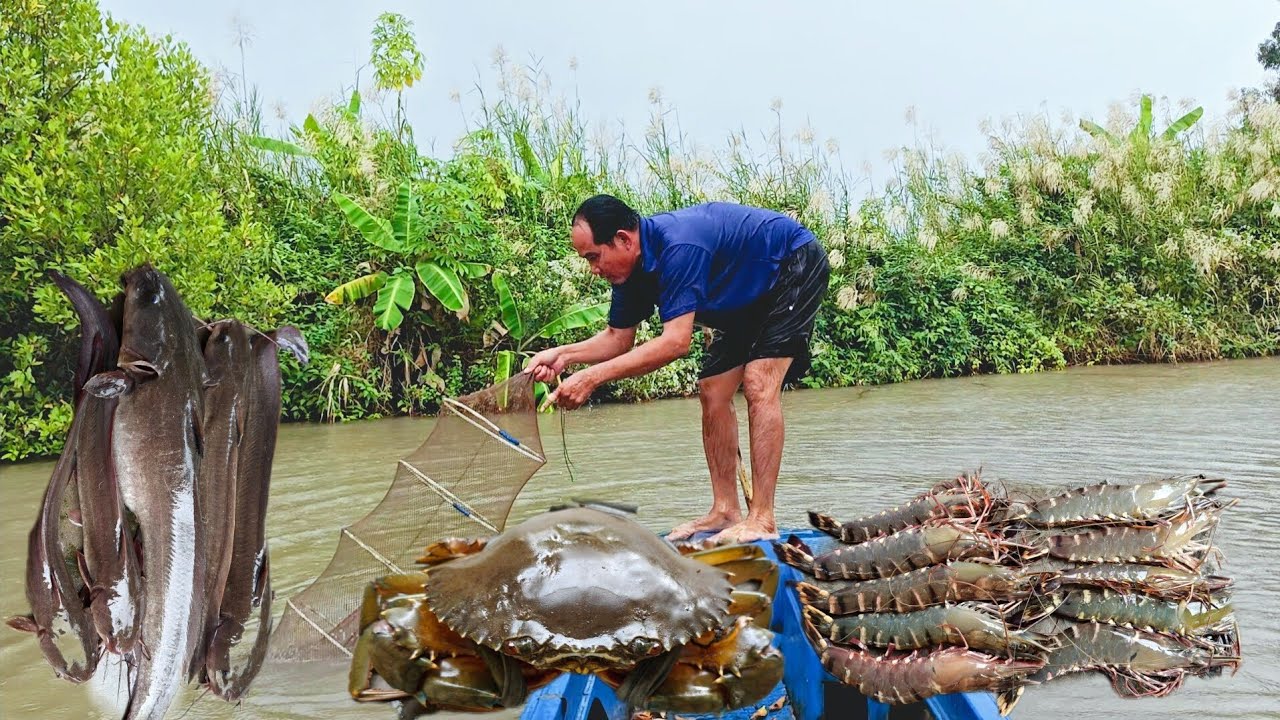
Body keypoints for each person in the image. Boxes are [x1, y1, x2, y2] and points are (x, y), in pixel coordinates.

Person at [525, 194, 830, 545]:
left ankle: (762, 518)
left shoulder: (679, 247)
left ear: (624, 239)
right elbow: (617, 338)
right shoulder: (629, 273)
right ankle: (725, 510)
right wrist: (563, 356)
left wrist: (592, 378)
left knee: (759, 382)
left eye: (594, 256)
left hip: (790, 263)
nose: (594, 269)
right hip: (742, 295)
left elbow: (675, 343)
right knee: (713, 390)